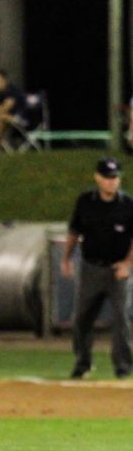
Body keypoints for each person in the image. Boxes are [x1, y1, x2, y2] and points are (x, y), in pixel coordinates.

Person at [61, 157, 133, 380]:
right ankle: (82, 363)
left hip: (117, 269)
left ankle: (123, 366)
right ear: (97, 178)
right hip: (91, 267)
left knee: (121, 318)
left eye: (115, 178)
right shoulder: (85, 201)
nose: (112, 182)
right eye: (108, 177)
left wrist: (128, 264)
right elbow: (75, 231)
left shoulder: (128, 204)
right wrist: (66, 258)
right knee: (82, 318)